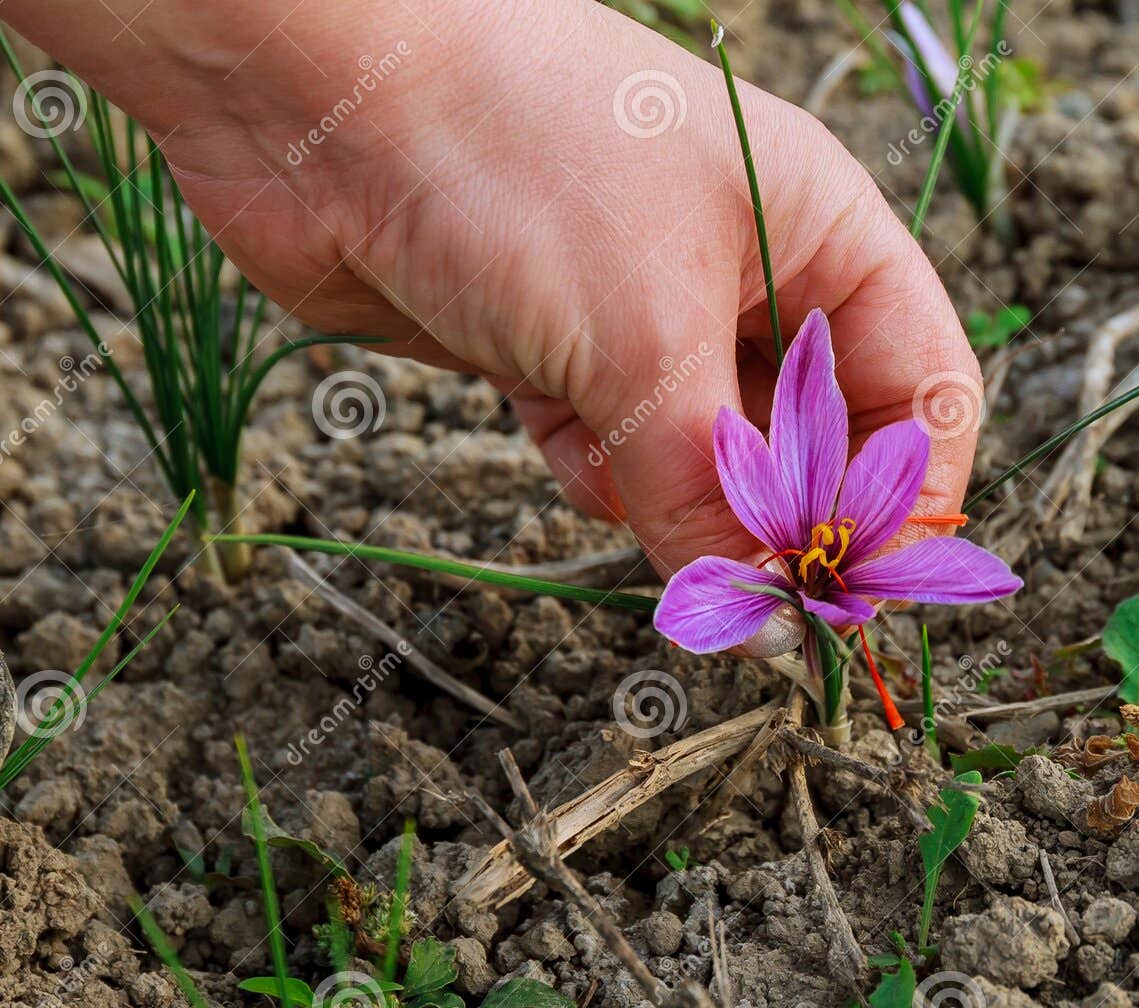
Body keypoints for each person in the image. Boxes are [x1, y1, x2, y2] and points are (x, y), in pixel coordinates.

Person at [9, 0, 982, 655]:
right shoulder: (787, 540)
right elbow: (717, 542)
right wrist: (418, 68)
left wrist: (340, 85)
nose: (819, 556)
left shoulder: (834, 549)